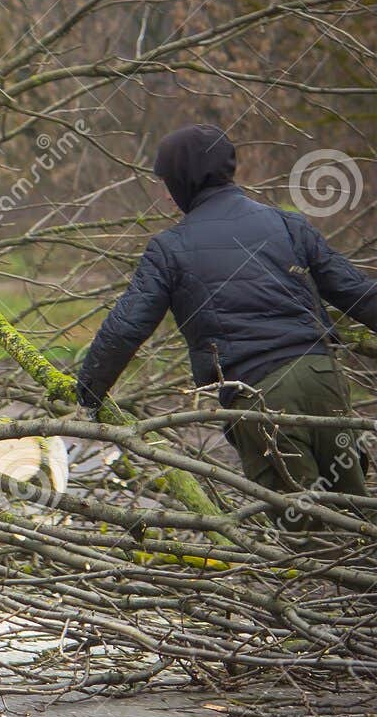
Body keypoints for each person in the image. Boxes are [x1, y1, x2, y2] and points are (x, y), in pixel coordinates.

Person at [75, 124, 377, 532]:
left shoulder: (169, 248)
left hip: (260, 396)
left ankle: (312, 592)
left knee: (303, 530)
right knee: (356, 514)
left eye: (167, 182)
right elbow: (358, 293)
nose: (166, 194)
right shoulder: (289, 225)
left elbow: (127, 326)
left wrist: (89, 391)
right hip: (323, 379)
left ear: (185, 179)